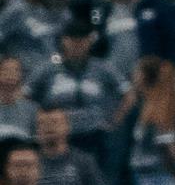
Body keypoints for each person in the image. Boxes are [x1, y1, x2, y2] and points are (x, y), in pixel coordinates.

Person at [27, 16, 121, 166]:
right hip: (58, 136)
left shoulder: (103, 68)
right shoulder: (48, 69)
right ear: (63, 40)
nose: (77, 44)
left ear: (90, 41)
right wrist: (39, 120)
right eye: (72, 39)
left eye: (82, 39)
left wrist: (114, 120)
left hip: (94, 135)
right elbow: (26, 95)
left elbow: (127, 93)